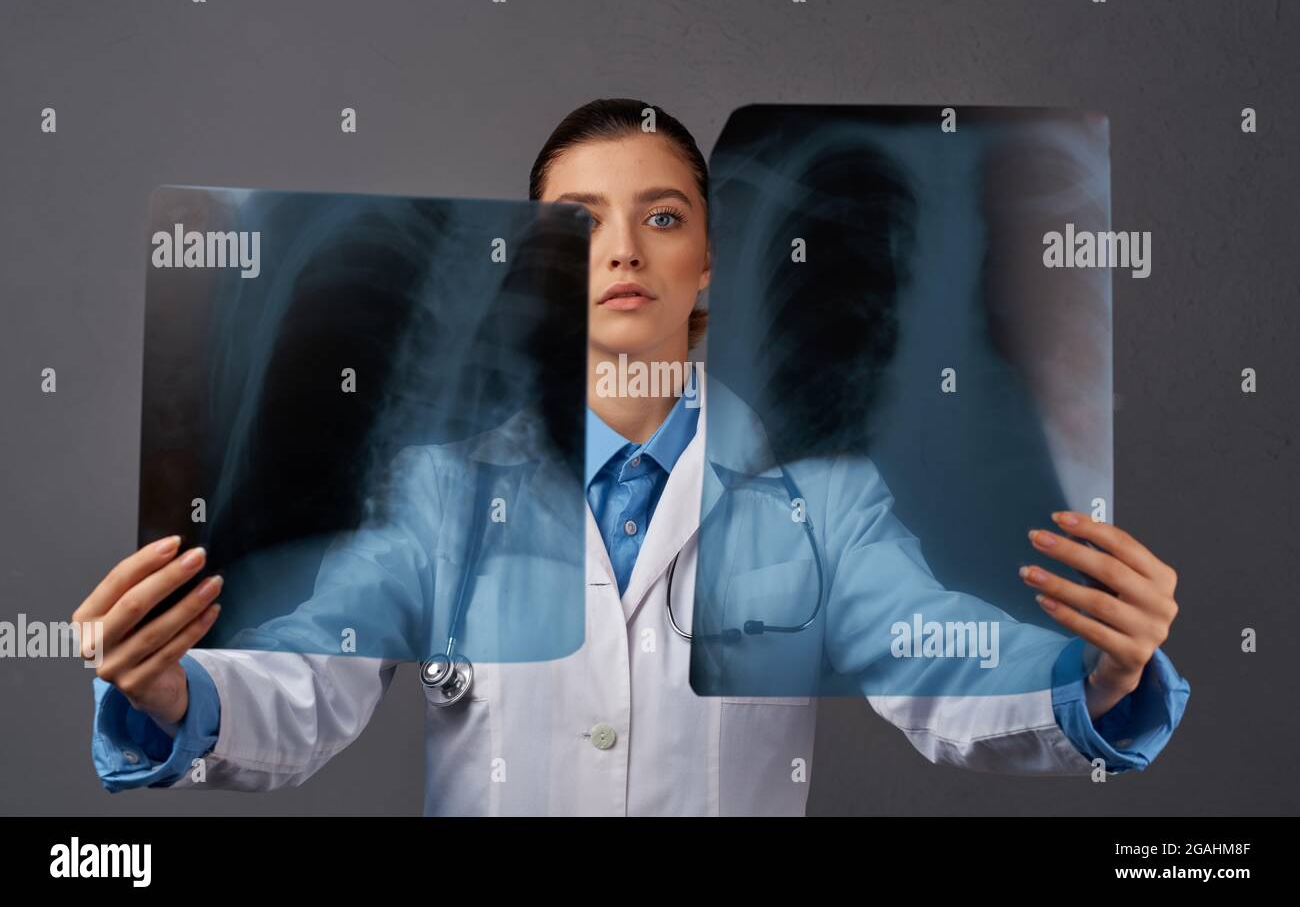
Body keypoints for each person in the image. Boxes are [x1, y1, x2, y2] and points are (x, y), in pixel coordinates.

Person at [76, 98, 1188, 815]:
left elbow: (944, 672)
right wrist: (178, 692)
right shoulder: (441, 497)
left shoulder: (822, 504)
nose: (618, 248)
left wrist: (1095, 677)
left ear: (709, 261)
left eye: (662, 217)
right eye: (580, 219)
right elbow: (308, 680)